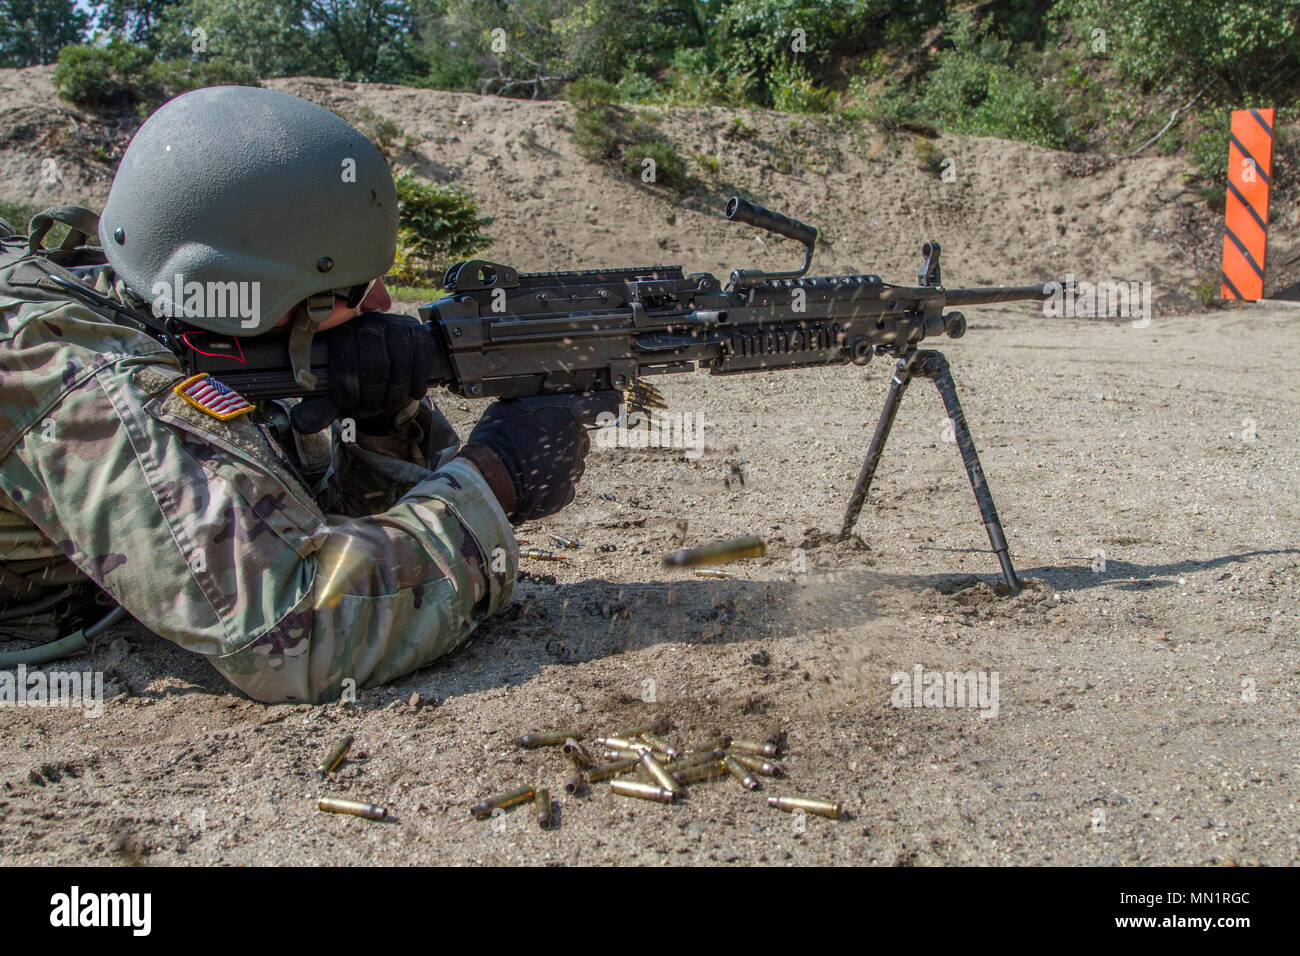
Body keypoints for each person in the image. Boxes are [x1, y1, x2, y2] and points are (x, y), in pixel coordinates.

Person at [0, 86, 596, 703]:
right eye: (354, 288)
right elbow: (300, 631)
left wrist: (379, 416)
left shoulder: (172, 310)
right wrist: (496, 476)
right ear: (254, 297)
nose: (384, 304)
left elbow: (293, 517)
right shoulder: (82, 379)